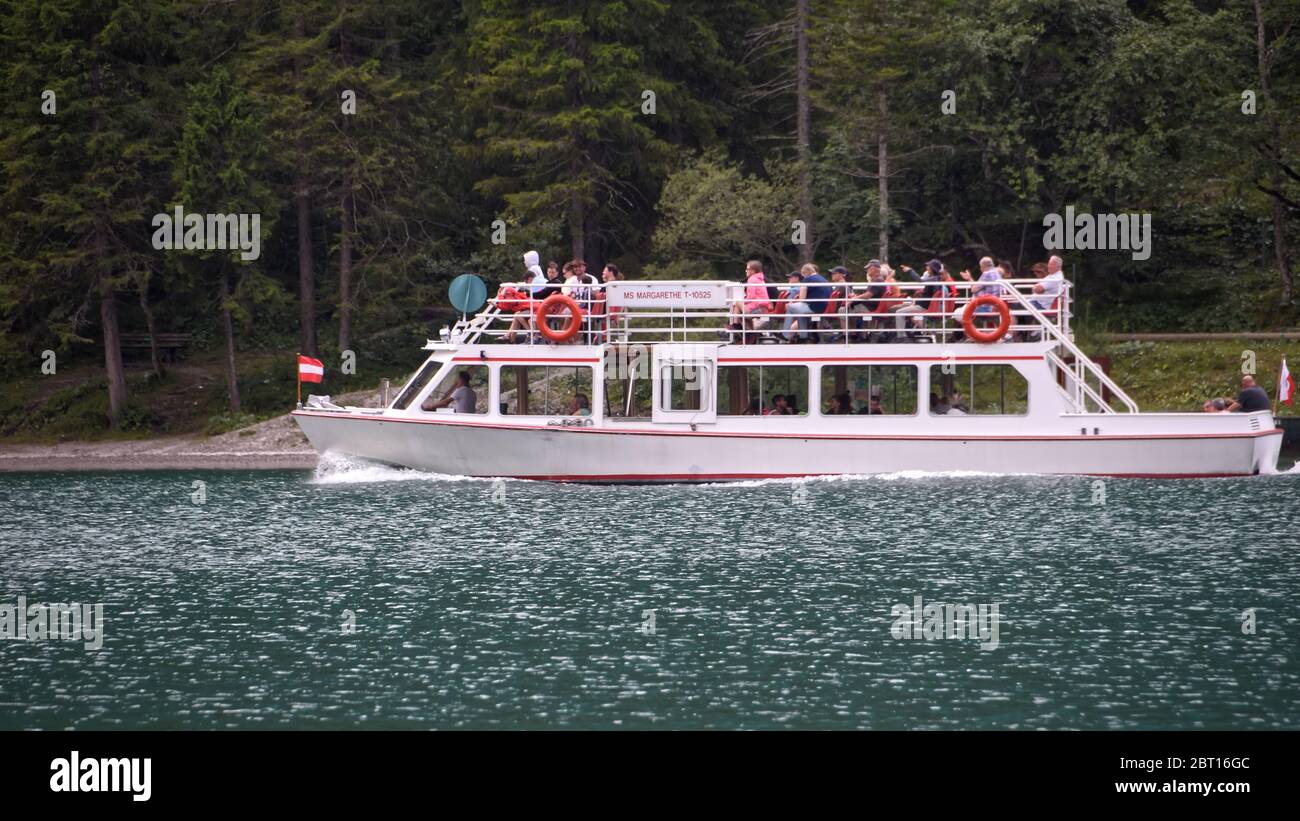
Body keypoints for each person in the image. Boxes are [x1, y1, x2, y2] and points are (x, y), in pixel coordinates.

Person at [781, 271, 815, 342]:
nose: (789, 279)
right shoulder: (793, 287)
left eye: (790, 277)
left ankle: (786, 335)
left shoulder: (799, 287)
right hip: (794, 307)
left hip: (795, 307)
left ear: (797, 278)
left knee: (795, 312)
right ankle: (800, 336)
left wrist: (789, 286)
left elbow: (796, 293)